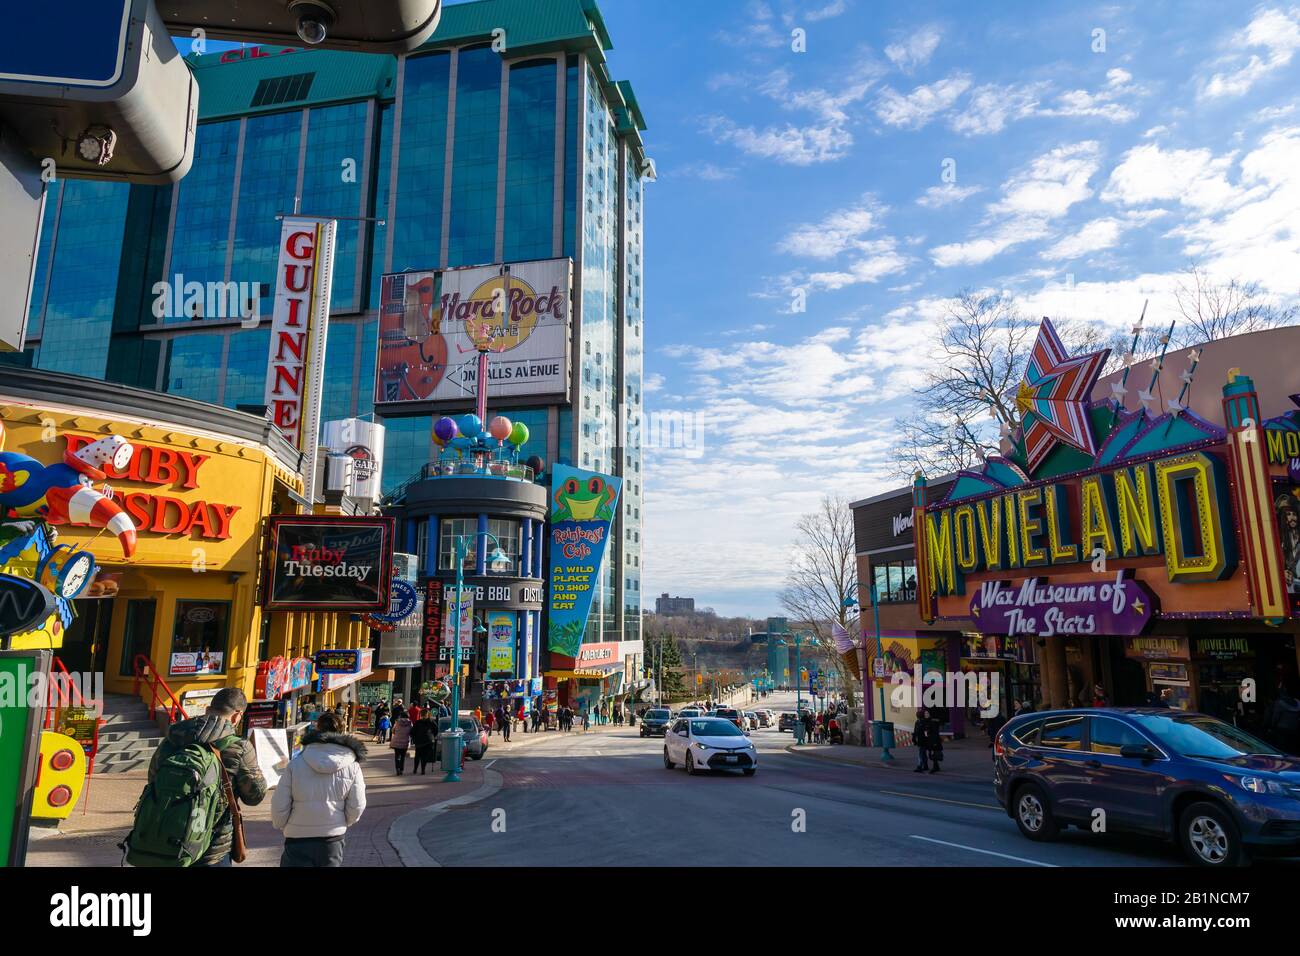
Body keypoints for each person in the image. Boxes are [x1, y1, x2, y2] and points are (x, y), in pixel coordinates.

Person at [130, 687, 267, 867]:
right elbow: (254, 796)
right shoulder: (239, 747)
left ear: (208, 709)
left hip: (168, 844)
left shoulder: (174, 737)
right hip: (211, 850)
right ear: (236, 716)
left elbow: (153, 779)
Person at [271, 712, 366, 867]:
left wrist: (280, 824)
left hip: (298, 838)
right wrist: (342, 821)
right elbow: (357, 805)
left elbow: (279, 803)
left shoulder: (297, 763)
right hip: (332, 839)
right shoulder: (352, 766)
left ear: (317, 730)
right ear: (342, 731)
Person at [913, 708, 931, 772]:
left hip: (921, 740)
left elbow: (917, 731)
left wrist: (914, 738)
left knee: (921, 753)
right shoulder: (920, 722)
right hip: (921, 739)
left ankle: (920, 766)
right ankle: (925, 765)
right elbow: (916, 731)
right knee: (923, 753)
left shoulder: (920, 722)